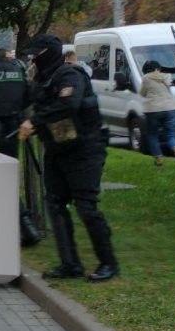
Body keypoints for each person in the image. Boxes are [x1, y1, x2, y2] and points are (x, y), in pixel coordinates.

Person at [20, 34, 118, 282]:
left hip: (85, 149)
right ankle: (70, 264)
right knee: (55, 204)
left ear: (48, 53)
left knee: (86, 206)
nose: (32, 59)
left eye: (36, 54)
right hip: (58, 148)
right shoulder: (41, 79)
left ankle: (108, 262)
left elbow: (69, 105)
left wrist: (34, 121)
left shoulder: (70, 75)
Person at [0, 37, 40, 245]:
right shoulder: (15, 67)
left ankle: (25, 226)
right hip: (14, 127)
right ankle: (24, 227)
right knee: (7, 178)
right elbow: (29, 94)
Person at [140, 60, 175, 167]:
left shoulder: (146, 78)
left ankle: (159, 158)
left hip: (153, 110)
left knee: (152, 135)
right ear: (158, 68)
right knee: (171, 134)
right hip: (169, 108)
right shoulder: (167, 76)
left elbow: (142, 93)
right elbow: (170, 86)